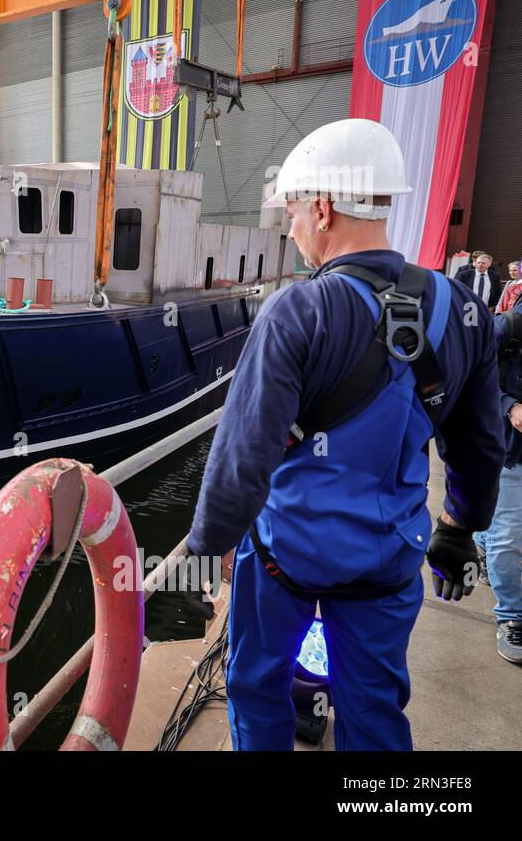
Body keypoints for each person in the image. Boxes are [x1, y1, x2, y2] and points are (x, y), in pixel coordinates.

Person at [184, 118, 503, 751]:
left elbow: (244, 459)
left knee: (254, 685)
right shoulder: (464, 311)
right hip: (389, 560)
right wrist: (459, 531)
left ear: (324, 207)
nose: (293, 228)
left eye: (295, 212)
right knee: (376, 707)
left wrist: (200, 555)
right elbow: (480, 445)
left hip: (286, 558)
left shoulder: (295, 311)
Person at [481, 309, 522, 663]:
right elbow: (473, 377)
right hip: (514, 450)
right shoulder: (507, 326)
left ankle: (482, 541)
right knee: (508, 536)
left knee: (498, 529)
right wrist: (510, 406)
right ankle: (513, 616)